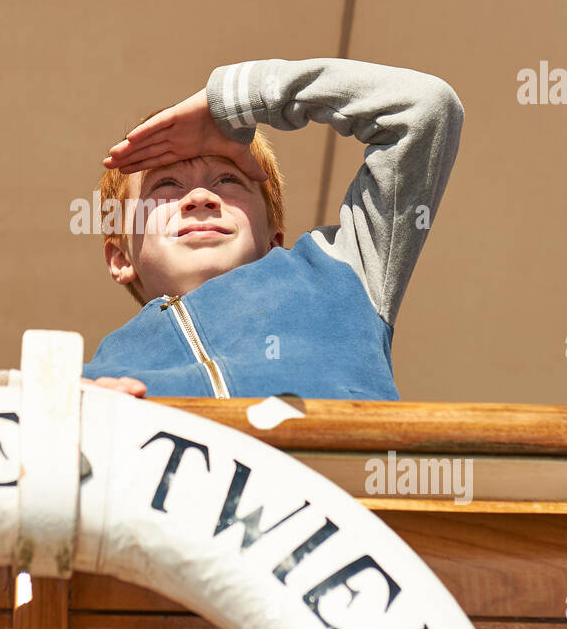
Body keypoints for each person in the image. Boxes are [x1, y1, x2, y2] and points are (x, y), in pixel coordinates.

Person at [82, 56, 463, 400]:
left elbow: (425, 108)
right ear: (120, 257)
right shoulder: (93, 381)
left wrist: (232, 105)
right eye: (166, 185)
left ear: (274, 240)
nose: (200, 197)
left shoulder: (340, 275)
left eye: (228, 181)